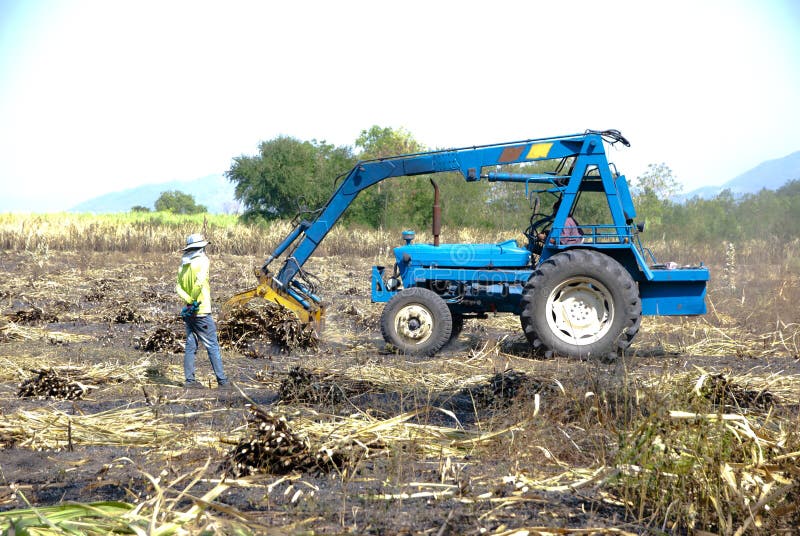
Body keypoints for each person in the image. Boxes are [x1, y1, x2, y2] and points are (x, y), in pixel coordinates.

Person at [175, 233, 230, 389]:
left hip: (189, 311)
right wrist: (193, 300)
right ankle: (223, 381)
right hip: (201, 310)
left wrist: (188, 301)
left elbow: (178, 287)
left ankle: (189, 381)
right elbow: (199, 283)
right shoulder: (203, 261)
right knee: (212, 345)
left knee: (191, 345)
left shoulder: (183, 264)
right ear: (201, 247)